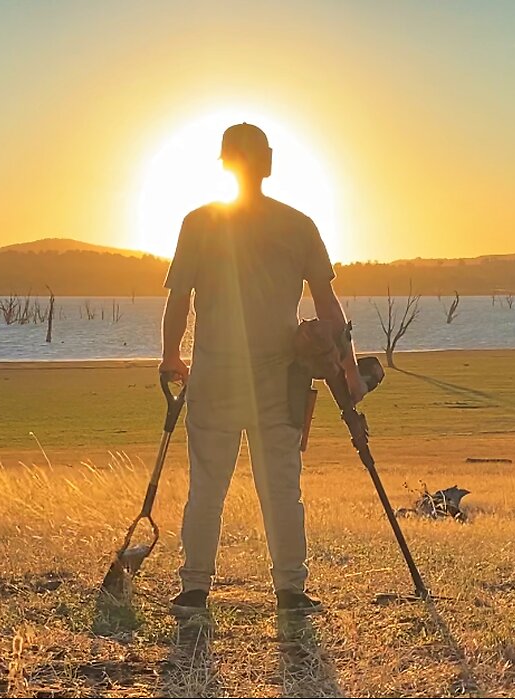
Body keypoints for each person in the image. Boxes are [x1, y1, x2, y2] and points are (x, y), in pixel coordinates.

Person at [159, 122, 367, 617]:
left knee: (209, 484)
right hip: (271, 378)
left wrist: (170, 356)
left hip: (225, 374)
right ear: (267, 162)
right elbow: (329, 305)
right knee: (280, 486)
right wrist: (349, 368)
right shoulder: (297, 224)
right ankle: (290, 590)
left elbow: (178, 302)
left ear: (226, 163)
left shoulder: (198, 222)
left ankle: (195, 589)